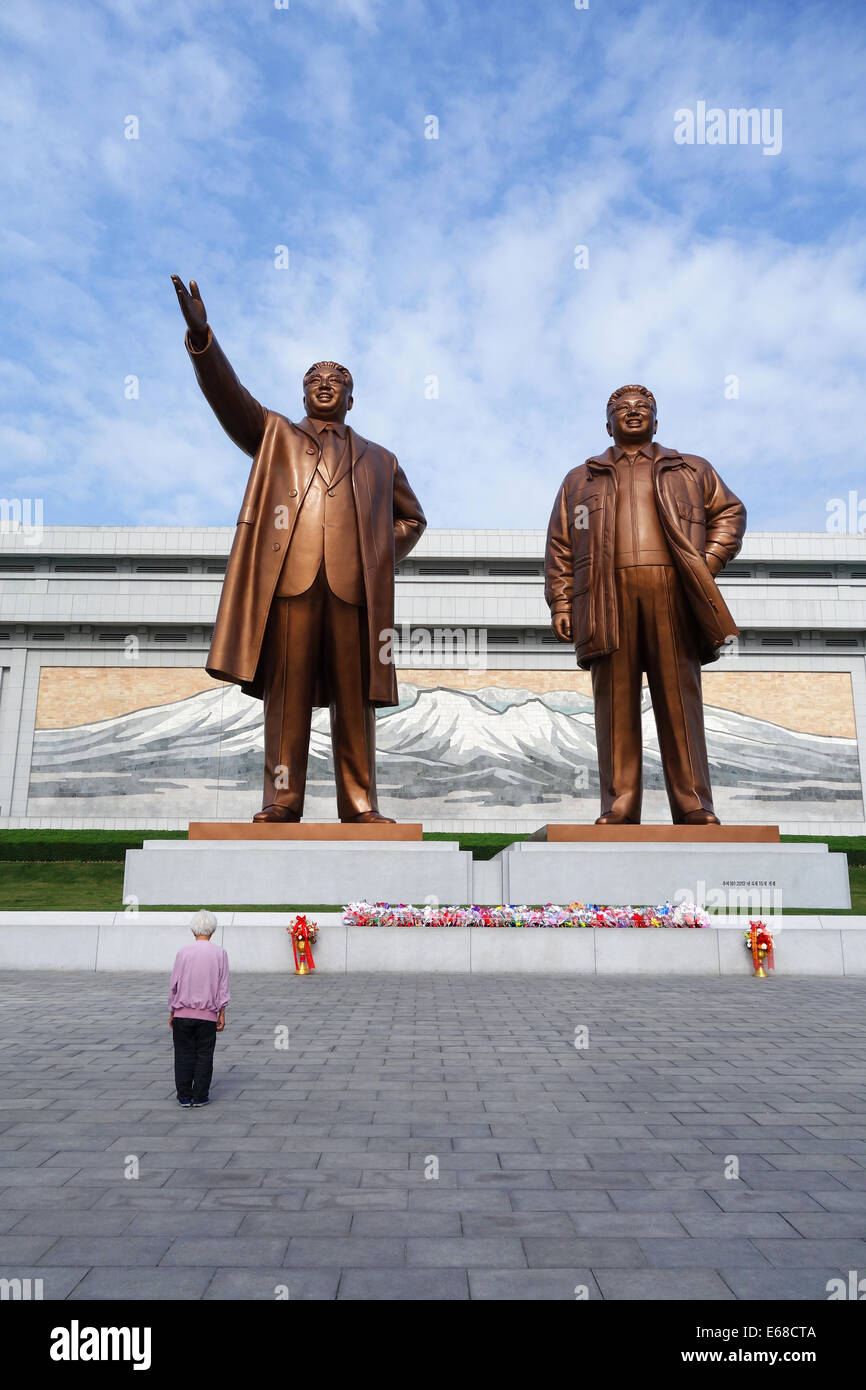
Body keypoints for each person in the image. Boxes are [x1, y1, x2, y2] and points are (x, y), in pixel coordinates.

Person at [170, 275, 427, 824]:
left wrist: (377, 552)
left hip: (354, 592)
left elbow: (412, 519)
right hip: (290, 584)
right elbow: (229, 398)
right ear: (303, 392)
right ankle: (282, 799)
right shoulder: (274, 435)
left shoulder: (380, 459)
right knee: (286, 697)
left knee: (355, 702)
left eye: (337, 379)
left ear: (353, 398)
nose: (326, 383)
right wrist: (203, 339)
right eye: (315, 378)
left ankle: (360, 804)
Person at [545, 385, 746, 825]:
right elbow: (560, 545)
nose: (633, 413)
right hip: (604, 596)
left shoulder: (690, 469)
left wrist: (706, 563)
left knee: (679, 699)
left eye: (643, 409)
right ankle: (619, 805)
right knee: (614, 705)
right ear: (608, 423)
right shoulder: (581, 479)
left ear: (656, 421)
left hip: (672, 592)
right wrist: (562, 603)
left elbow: (729, 514)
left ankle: (694, 803)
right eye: (622, 409)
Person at [168, 909, 230, 1108]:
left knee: (183, 1054)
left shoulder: (183, 953)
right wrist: (222, 1012)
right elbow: (223, 986)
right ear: (212, 931)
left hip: (182, 1012)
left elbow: (174, 985)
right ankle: (200, 1095)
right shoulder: (220, 954)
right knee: (204, 1054)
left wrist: (172, 1011)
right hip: (208, 1015)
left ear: (193, 930)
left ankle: (184, 1096)